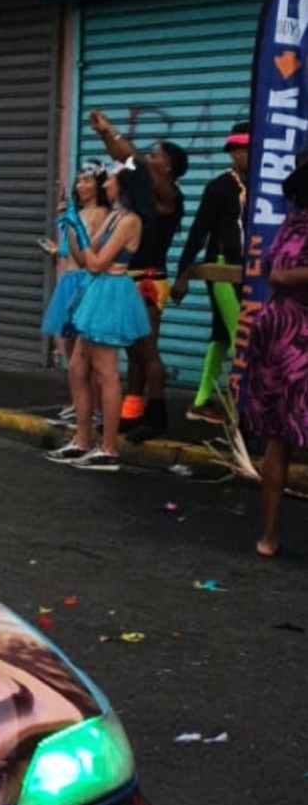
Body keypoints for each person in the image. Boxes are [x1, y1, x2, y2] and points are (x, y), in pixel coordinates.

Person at [88, 109, 188, 440]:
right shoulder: (147, 188)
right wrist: (106, 137)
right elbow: (129, 161)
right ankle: (132, 412)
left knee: (147, 350)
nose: (149, 157)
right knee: (133, 350)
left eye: (156, 155)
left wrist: (111, 131)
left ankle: (157, 417)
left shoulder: (170, 195)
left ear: (168, 166)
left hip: (148, 279)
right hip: (132, 276)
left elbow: (135, 160)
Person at [49, 163, 149, 472]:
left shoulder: (130, 221)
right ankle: (82, 439)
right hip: (95, 290)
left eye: (112, 180)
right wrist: (72, 227)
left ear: (124, 186)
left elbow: (98, 263)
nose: (106, 185)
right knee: (78, 368)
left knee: (106, 372)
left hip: (110, 292)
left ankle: (109, 448)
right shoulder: (115, 217)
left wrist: (80, 234)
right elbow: (83, 257)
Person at [239, 148, 308, 558]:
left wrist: (284, 275)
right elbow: (279, 272)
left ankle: (268, 536)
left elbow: (271, 269)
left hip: (275, 328)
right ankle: (266, 534)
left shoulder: (290, 222)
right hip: (296, 335)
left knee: (278, 440)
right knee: (281, 438)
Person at [169, 128, 249, 425]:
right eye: (240, 150)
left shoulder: (261, 185)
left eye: (250, 149)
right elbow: (198, 230)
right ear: (231, 152)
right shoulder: (220, 187)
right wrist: (183, 273)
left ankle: (201, 401)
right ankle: (244, 410)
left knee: (221, 337)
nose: (246, 155)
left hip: (247, 271)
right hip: (222, 268)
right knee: (244, 337)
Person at [40, 162, 108, 408]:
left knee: (86, 353)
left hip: (84, 282)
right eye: (79, 180)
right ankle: (79, 403)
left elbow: (90, 253)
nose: (81, 185)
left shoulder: (100, 214)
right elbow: (73, 251)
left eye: (87, 180)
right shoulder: (77, 214)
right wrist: (58, 248)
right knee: (69, 348)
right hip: (69, 280)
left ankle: (94, 406)